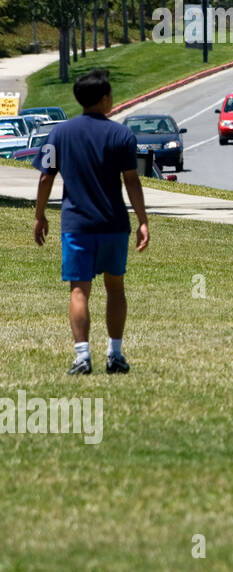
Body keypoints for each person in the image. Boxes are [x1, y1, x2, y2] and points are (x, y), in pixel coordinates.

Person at [32, 68, 149, 374]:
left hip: (77, 226)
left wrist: (39, 214)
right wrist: (143, 220)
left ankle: (82, 356)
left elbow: (46, 177)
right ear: (103, 99)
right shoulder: (122, 135)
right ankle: (115, 354)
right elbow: (132, 181)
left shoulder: (59, 134)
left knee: (79, 290)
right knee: (115, 289)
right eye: (110, 94)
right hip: (113, 224)